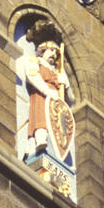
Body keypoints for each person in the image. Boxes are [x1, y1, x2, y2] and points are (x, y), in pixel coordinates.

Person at [23, 28, 72, 157]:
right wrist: (46, 90)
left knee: (57, 123)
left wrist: (65, 83)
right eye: (51, 51)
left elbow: (71, 99)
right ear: (42, 50)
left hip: (55, 101)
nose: (53, 55)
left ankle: (55, 148)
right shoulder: (35, 61)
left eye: (56, 53)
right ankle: (40, 139)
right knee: (40, 116)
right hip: (41, 94)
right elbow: (32, 75)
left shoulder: (57, 71)